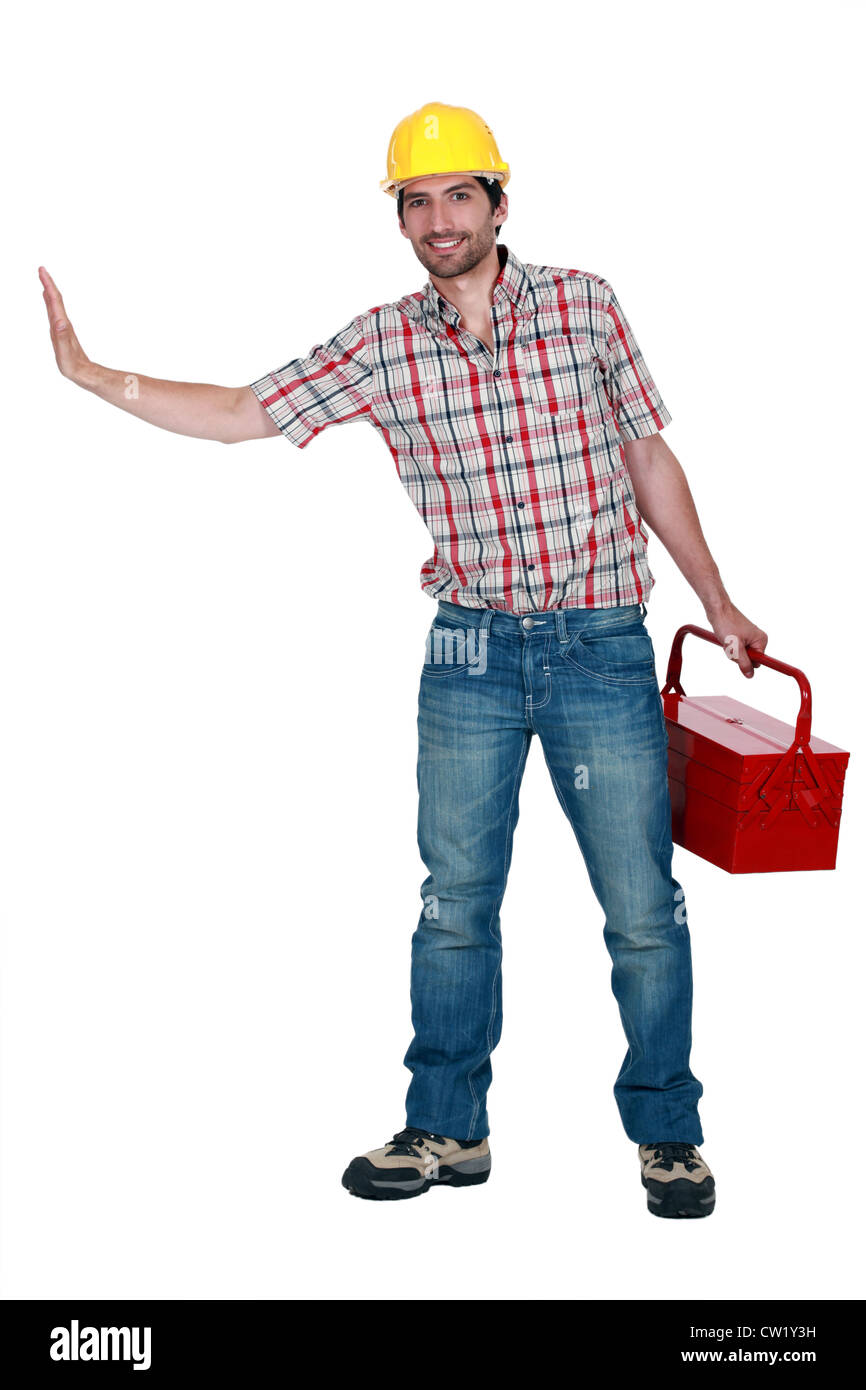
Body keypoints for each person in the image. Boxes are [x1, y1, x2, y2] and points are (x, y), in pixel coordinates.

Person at [40, 100, 767, 1219]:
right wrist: (97, 377)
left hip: (599, 645)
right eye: (414, 201)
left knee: (640, 908)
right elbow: (244, 411)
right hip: (469, 652)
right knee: (454, 903)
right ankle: (447, 1128)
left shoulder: (584, 305)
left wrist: (715, 598)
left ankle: (667, 1132)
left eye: (455, 196)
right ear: (402, 218)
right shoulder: (381, 342)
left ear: (497, 203)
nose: (435, 218)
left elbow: (644, 453)